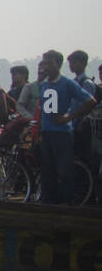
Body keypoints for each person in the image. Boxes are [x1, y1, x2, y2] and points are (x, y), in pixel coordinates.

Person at [37, 49, 98, 204]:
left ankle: (68, 205)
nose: (46, 66)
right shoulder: (44, 85)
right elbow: (42, 109)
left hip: (62, 133)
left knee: (64, 171)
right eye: (45, 62)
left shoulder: (67, 83)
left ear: (58, 64)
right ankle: (50, 203)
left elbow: (90, 101)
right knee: (47, 172)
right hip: (47, 132)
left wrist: (69, 117)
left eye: (50, 63)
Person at [67, 50, 97, 163]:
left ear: (83, 63)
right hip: (73, 124)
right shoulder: (74, 82)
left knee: (81, 158)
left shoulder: (86, 83)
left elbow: (84, 107)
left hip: (82, 126)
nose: (71, 65)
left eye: (74, 62)